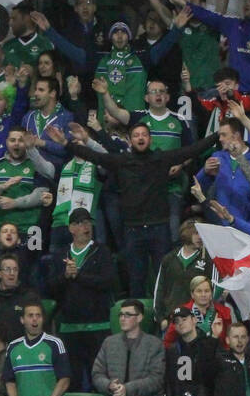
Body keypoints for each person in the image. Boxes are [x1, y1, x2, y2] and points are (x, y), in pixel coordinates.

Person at [65, 122, 216, 297]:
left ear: (150, 139)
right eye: (136, 135)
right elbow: (95, 157)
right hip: (132, 229)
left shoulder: (161, 159)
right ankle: (137, 317)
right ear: (129, 140)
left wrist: (217, 134)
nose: (141, 138)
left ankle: (165, 318)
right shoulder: (121, 161)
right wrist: (66, 143)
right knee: (136, 279)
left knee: (164, 277)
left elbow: (192, 150)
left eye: (144, 134)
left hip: (159, 227)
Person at [44, 208, 117, 392]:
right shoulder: (61, 255)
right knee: (72, 382)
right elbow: (51, 286)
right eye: (80, 223)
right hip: (69, 327)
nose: (86, 226)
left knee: (100, 381)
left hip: (98, 327)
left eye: (87, 222)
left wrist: (78, 276)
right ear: (71, 228)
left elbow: (107, 281)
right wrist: (65, 276)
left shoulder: (102, 251)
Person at [92, 299, 165, 396]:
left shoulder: (154, 344)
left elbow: (156, 379)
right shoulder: (109, 343)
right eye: (121, 315)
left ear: (139, 317)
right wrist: (109, 385)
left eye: (127, 315)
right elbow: (97, 374)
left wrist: (127, 389)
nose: (122, 318)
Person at [3, 301, 70, 396]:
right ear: (22, 320)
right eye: (30, 316)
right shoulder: (13, 347)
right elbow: (9, 381)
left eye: (38, 316)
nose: (35, 319)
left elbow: (65, 379)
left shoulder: (55, 344)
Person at [153, 221, 211, 328]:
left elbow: (215, 288)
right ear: (186, 233)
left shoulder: (208, 259)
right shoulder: (169, 259)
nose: (200, 237)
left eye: (202, 234)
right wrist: (160, 318)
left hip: (198, 319)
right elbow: (160, 289)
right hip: (172, 317)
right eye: (196, 233)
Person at [0, 254, 41, 338]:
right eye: (7, 269)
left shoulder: (30, 298)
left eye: (15, 269)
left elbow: (40, 328)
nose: (12, 273)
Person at [164, 305, 217, 396]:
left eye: (184, 319)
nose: (180, 323)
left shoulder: (210, 345)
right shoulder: (172, 351)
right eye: (176, 321)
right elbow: (171, 384)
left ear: (194, 320)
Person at [209, 320, 250, 396]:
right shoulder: (220, 360)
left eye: (243, 337)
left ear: (248, 339)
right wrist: (214, 337)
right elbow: (205, 365)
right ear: (227, 340)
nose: (240, 341)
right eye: (235, 337)